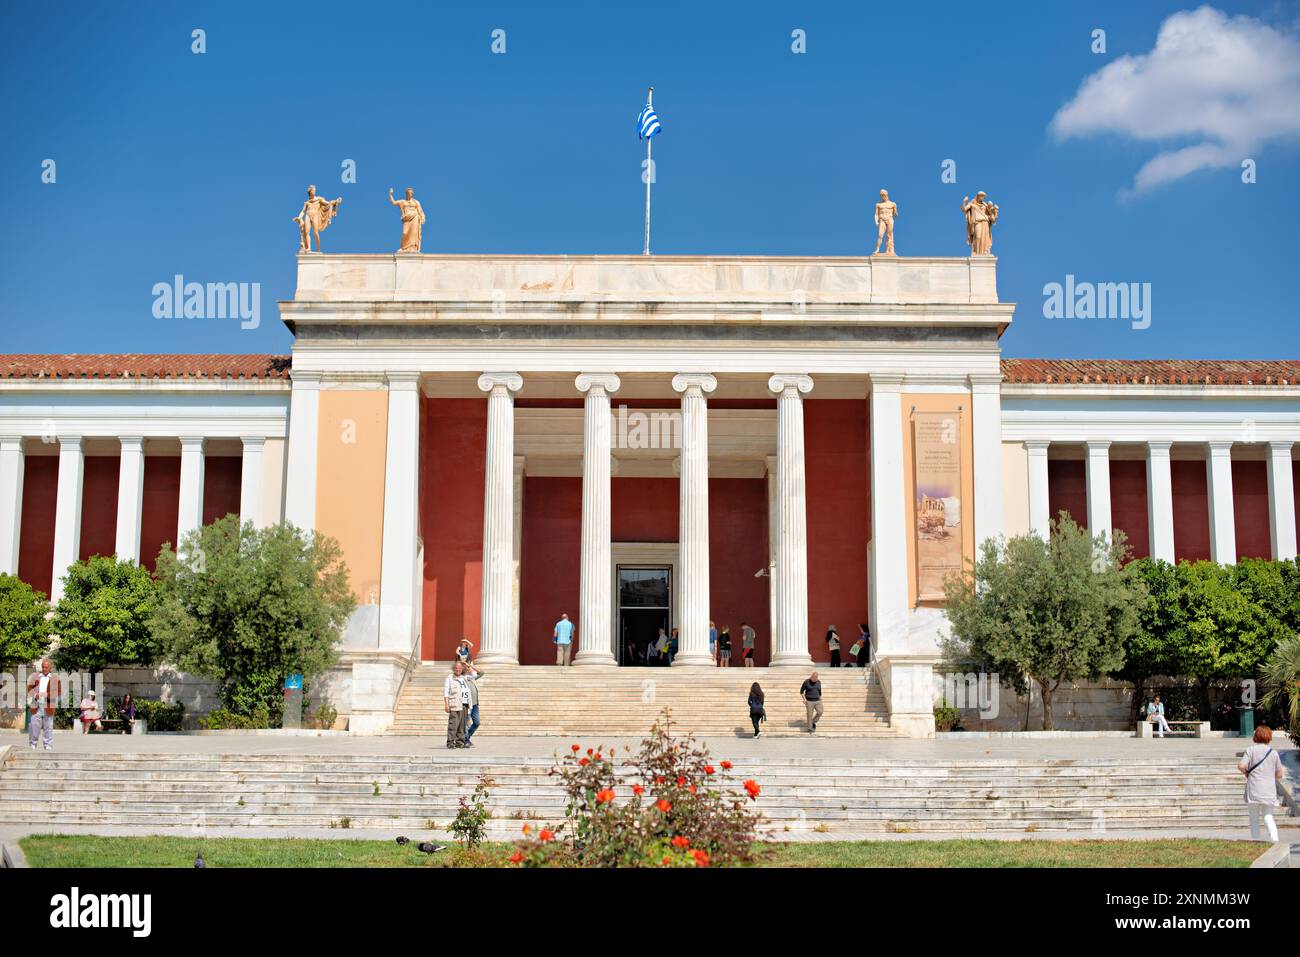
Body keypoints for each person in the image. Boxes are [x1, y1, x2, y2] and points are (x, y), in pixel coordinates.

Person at [1237, 726, 1284, 842]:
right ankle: (1275, 839)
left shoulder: (1250, 750)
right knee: (1268, 816)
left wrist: (1247, 772)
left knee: (1253, 817)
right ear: (1269, 737)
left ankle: (1256, 840)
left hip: (1254, 789)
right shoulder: (1273, 753)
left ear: (1256, 736)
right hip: (1269, 790)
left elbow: (1241, 766)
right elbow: (1279, 774)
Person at [26, 659, 60, 751]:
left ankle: (48, 745)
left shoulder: (55, 678)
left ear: (50, 668)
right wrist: (35, 694)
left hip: (48, 705)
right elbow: (29, 688)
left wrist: (46, 694)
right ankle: (33, 745)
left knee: (48, 727)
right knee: (34, 727)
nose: (44, 669)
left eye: (46, 667)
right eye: (43, 667)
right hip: (36, 705)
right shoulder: (36, 676)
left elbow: (57, 692)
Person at [443, 662, 469, 749]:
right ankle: (450, 742)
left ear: (462, 669)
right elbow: (446, 692)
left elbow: (475, 674)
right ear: (454, 668)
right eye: (456, 668)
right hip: (454, 703)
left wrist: (466, 664)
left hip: (464, 704)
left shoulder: (464, 678)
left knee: (462, 725)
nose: (458, 670)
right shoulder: (450, 678)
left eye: (460, 668)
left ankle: (460, 742)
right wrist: (446, 704)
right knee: (453, 724)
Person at [462, 663, 482, 747]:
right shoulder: (462, 679)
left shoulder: (472, 678)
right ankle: (465, 740)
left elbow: (482, 673)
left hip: (475, 704)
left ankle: (465, 738)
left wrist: (471, 666)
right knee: (467, 723)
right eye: (466, 668)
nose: (468, 669)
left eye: (468, 667)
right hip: (467, 704)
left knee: (477, 723)